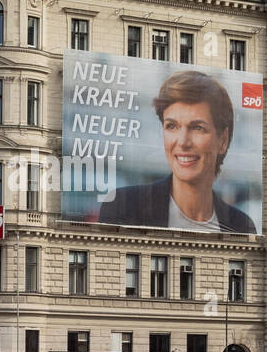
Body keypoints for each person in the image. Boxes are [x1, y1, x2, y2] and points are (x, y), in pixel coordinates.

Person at [97, 71, 256, 234]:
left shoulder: (241, 226)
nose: (182, 142)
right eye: (172, 126)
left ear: (222, 140)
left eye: (197, 128)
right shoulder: (123, 208)